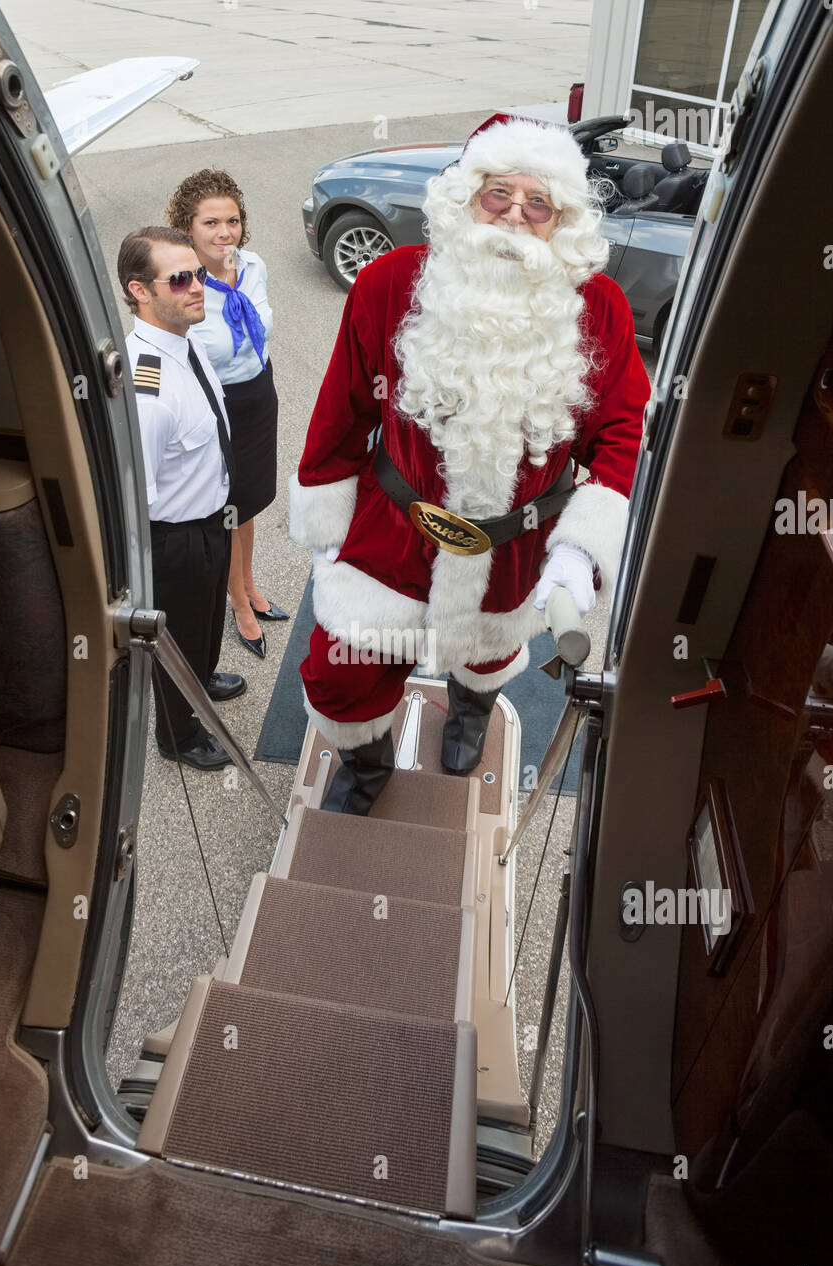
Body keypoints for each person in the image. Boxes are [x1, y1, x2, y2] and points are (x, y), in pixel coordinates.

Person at [289, 115, 651, 813]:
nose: (515, 215)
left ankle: (470, 712)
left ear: (561, 222)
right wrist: (327, 515)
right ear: (465, 199)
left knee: (485, 656)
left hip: (515, 539)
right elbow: (341, 407)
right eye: (497, 195)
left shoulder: (598, 307)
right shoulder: (390, 282)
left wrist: (581, 548)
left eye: (537, 202)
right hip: (393, 524)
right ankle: (365, 765)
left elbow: (622, 430)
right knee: (342, 672)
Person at [118, 225, 247, 770]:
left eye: (197, 273)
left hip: (211, 520)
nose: (198, 286)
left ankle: (202, 674)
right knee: (180, 635)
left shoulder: (179, 342)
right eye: (180, 279)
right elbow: (134, 495)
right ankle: (177, 733)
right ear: (139, 291)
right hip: (175, 538)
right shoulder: (145, 388)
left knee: (206, 621)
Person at [166, 169, 288, 661]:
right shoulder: (182, 284)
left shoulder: (253, 266)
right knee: (225, 507)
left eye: (232, 221)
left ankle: (251, 585)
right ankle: (237, 601)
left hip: (259, 394)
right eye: (211, 223)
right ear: (188, 230)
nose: (224, 233)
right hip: (215, 405)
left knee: (251, 500)